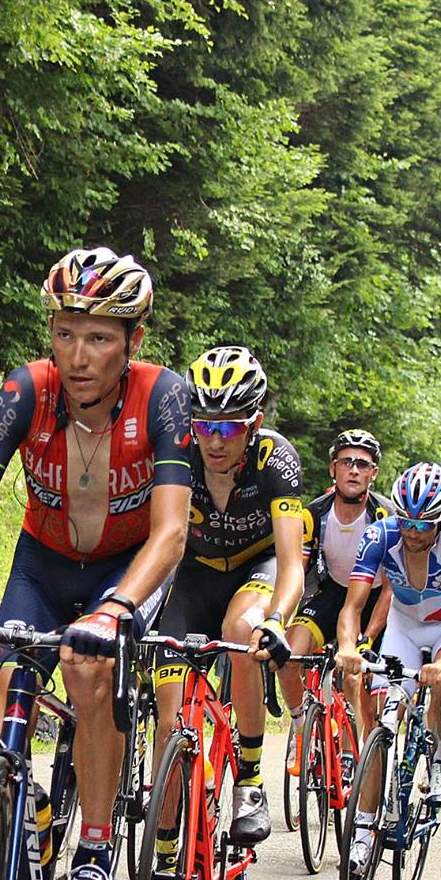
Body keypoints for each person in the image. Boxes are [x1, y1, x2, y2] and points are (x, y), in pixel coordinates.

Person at [0, 246, 191, 880]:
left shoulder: (161, 394)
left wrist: (116, 610)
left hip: (126, 567)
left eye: (101, 337)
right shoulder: (26, 391)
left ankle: (97, 855)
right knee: (0, 682)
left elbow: (170, 533)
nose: (79, 354)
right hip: (43, 566)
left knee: (87, 667)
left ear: (133, 342)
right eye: (66, 332)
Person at [155, 346, 306, 845]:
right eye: (205, 426)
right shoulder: (177, 448)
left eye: (230, 428)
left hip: (254, 568)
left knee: (243, 631)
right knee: (168, 718)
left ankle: (249, 778)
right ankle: (164, 857)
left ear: (255, 423)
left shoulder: (275, 459)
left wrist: (278, 619)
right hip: (194, 571)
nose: (215, 441)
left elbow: (291, 564)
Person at [336, 463, 441, 875]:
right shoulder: (379, 535)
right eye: (407, 521)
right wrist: (348, 647)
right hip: (403, 623)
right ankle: (364, 831)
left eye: (424, 523)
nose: (413, 531)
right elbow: (352, 606)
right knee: (379, 726)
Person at [283, 428, 391, 756]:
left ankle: (349, 757)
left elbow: (390, 588)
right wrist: (279, 620)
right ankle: (302, 723)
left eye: (362, 464)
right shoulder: (314, 514)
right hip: (334, 592)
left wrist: (367, 639)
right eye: (346, 462)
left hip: (375, 600)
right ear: (333, 469)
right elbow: (296, 574)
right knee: (288, 656)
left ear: (373, 473)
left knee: (360, 681)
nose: (354, 470)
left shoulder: (384, 516)